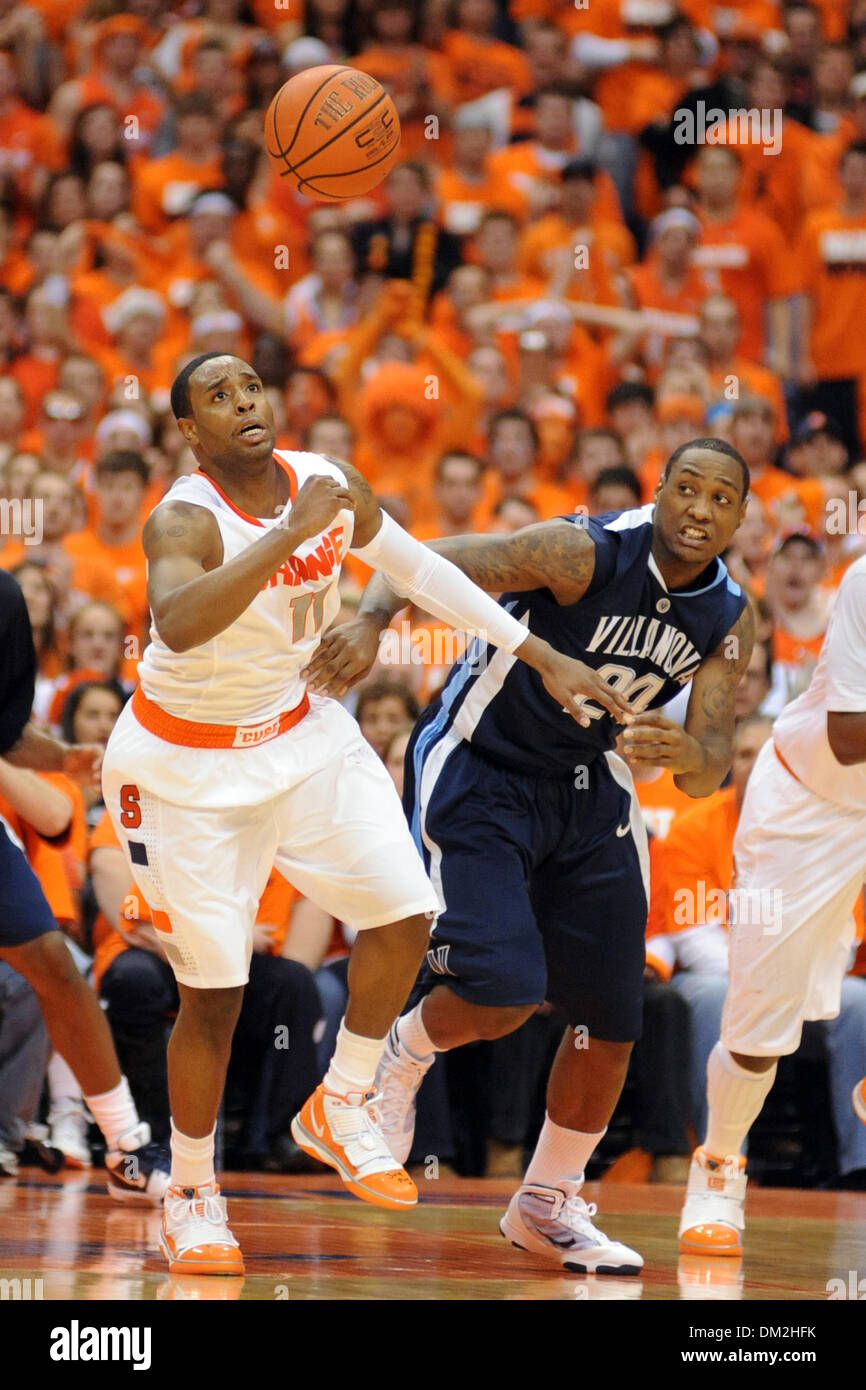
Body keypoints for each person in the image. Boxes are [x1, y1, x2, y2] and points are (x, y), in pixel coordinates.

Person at [100, 350, 627, 1276]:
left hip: (299, 733)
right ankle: (190, 1190)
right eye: (217, 398)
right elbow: (177, 620)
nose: (243, 403)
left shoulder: (328, 481)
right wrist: (289, 533)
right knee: (214, 997)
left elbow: (421, 569)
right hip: (182, 769)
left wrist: (540, 655)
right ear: (189, 430)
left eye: (250, 387)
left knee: (406, 911)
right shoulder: (184, 516)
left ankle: (341, 1099)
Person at [307, 437, 753, 1274]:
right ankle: (401, 1055)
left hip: (589, 788)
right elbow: (427, 558)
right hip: (483, 770)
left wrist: (681, 751)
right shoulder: (579, 551)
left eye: (720, 497)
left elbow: (713, 760)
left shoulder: (729, 615)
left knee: (615, 1018)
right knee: (505, 992)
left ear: (739, 515)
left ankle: (546, 1203)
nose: (698, 508)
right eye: (685, 488)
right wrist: (368, 620)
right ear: (658, 492)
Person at [678, 552, 866, 1255]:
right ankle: (720, 1167)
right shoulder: (863, 582)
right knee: (760, 1024)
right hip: (808, 809)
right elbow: (850, 738)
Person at [0, 567, 170, 1203]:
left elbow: (7, 731)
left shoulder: (5, 599)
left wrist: (64, 757)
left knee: (54, 967)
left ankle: (126, 1145)